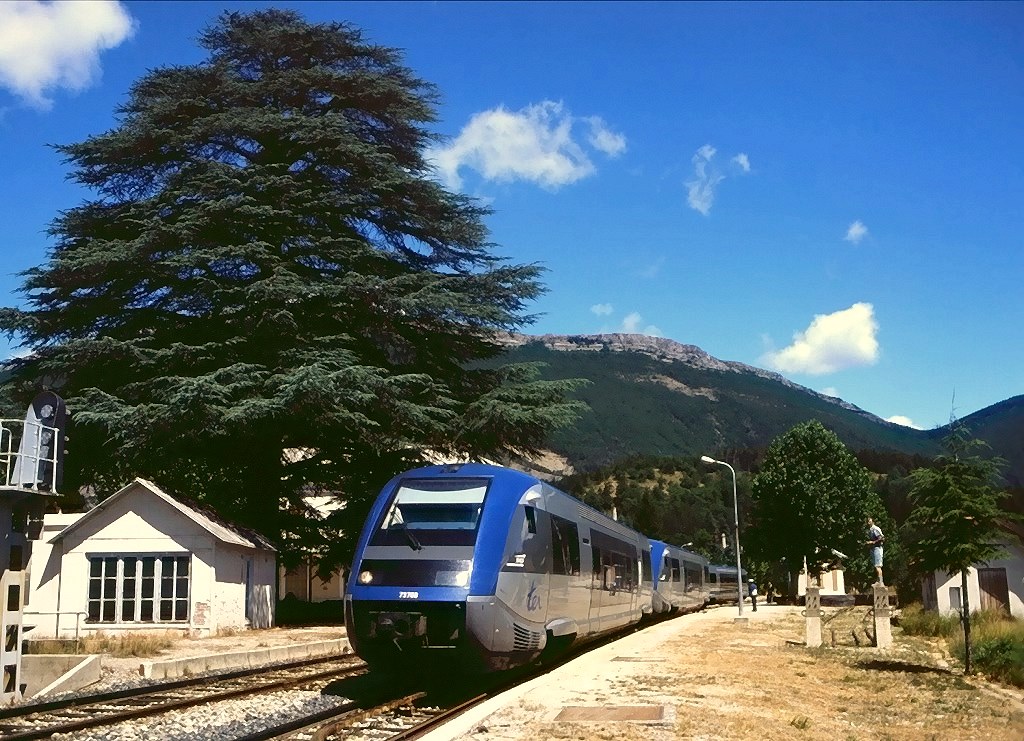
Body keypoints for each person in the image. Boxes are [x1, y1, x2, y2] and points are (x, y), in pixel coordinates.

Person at [866, 517, 884, 586]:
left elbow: (881, 538)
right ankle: (878, 580)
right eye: (867, 521)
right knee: (876, 566)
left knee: (878, 566)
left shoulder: (875, 529)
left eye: (869, 521)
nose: (868, 522)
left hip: (878, 548)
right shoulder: (870, 530)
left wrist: (872, 542)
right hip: (874, 549)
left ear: (873, 521)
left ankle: (881, 582)